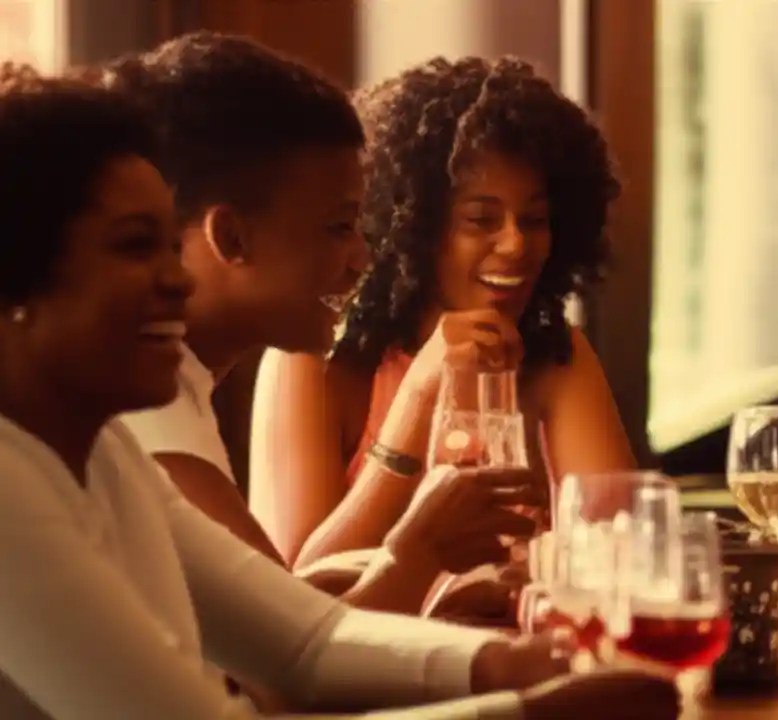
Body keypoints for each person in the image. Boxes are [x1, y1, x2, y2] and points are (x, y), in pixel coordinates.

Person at [0, 63, 678, 720]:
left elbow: (305, 642)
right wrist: (520, 708)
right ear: (18, 275)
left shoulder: (107, 456)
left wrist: (508, 663)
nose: (178, 280)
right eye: (134, 247)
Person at [97, 33, 539, 613]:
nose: (361, 258)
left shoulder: (181, 388)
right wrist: (419, 554)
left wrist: (432, 590)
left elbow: (276, 610)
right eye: (339, 227)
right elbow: (283, 660)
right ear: (231, 237)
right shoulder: (146, 421)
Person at [251, 57, 635, 578]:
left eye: (534, 219)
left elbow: (622, 563)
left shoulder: (555, 356)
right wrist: (419, 395)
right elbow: (299, 590)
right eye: (481, 219)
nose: (516, 244)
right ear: (414, 226)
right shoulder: (314, 358)